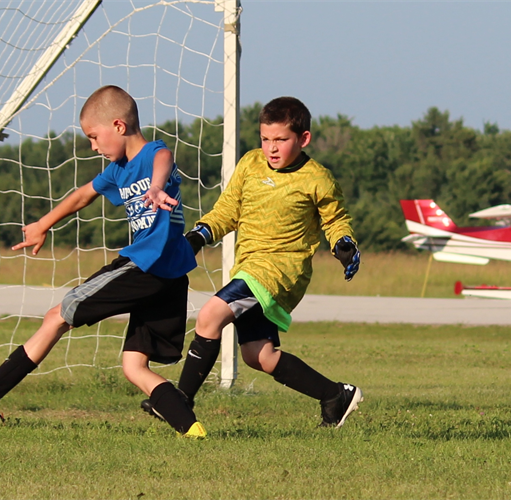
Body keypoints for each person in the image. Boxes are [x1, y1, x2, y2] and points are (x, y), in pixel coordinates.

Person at [0, 85, 206, 438]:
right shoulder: (118, 170)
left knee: (57, 316)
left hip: (145, 265)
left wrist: (156, 187)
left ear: (119, 126)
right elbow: (82, 195)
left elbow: (163, 157)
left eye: (94, 136)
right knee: (134, 365)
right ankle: (193, 431)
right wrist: (42, 225)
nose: (93, 146)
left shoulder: (153, 154)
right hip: (170, 275)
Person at [142, 96, 363, 428]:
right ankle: (335, 396)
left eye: (281, 140)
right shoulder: (250, 163)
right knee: (260, 356)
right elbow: (227, 210)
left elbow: (335, 220)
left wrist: (344, 243)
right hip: (249, 267)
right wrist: (200, 235)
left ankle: (181, 401)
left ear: (303, 139)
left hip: (280, 271)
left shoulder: (317, 178)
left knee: (209, 315)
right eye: (265, 139)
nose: (271, 148)